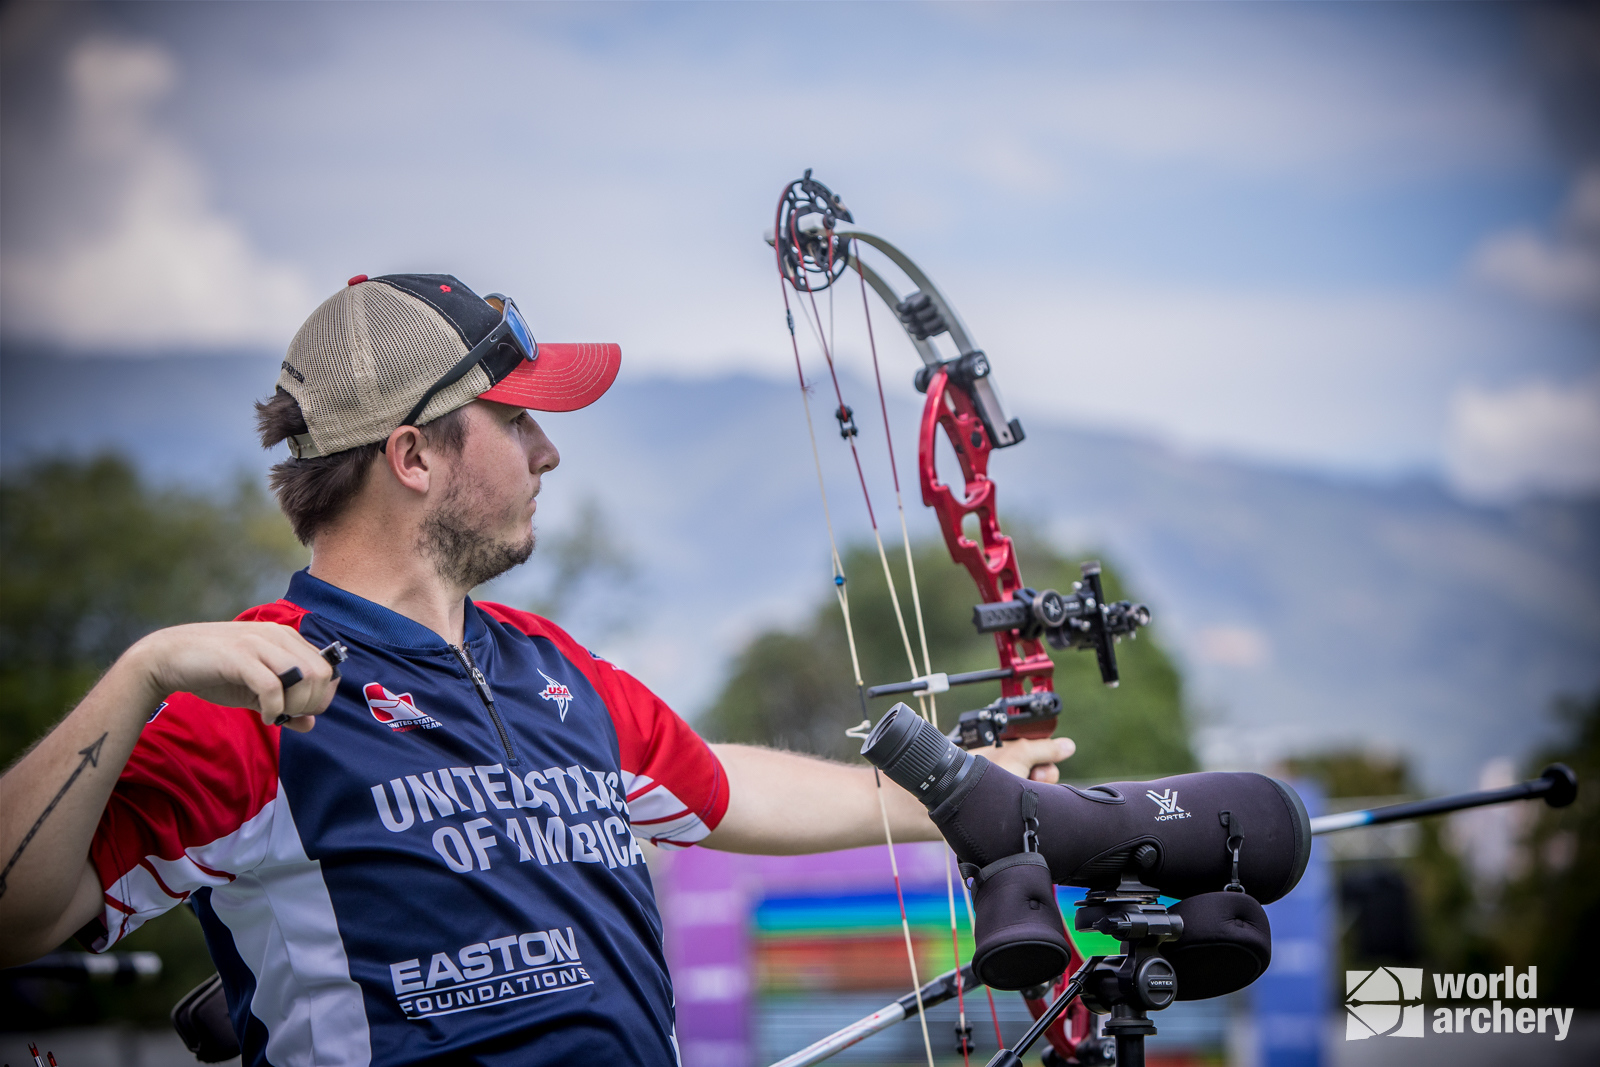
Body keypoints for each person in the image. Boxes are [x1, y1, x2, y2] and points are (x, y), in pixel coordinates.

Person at [0, 274, 1074, 1065]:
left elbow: (719, 786)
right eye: (516, 422)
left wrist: (966, 791)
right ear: (413, 454)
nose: (548, 453)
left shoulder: (550, 667)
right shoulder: (253, 695)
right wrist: (141, 673)